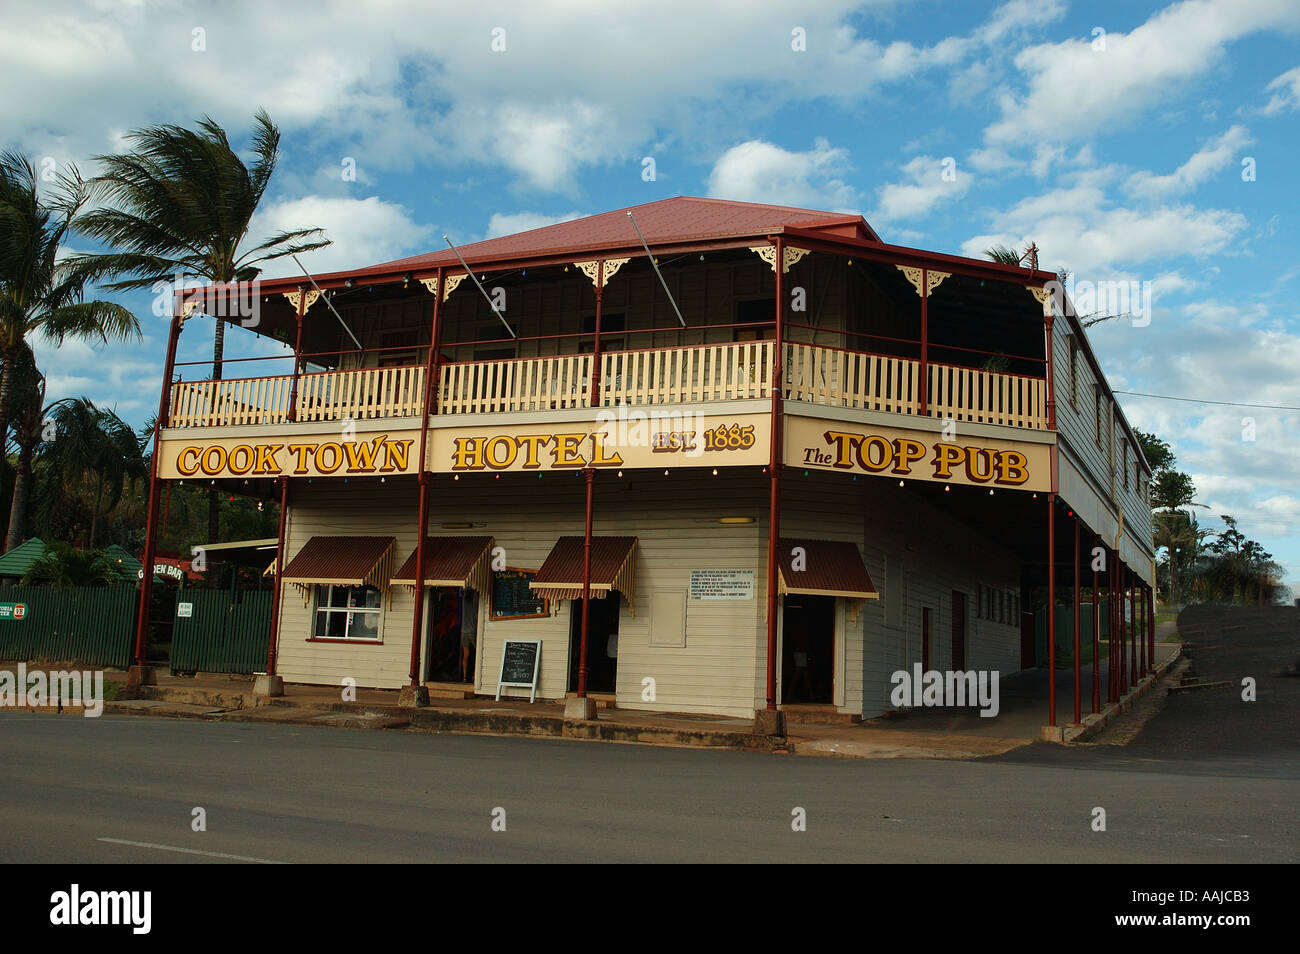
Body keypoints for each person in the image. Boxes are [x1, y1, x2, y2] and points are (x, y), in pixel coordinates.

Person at [459, 590, 478, 683]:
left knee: (465, 655)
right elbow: (477, 617)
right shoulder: (475, 604)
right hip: (473, 631)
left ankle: (465, 676)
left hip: (464, 631)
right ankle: (474, 675)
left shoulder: (464, 602)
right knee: (477, 654)